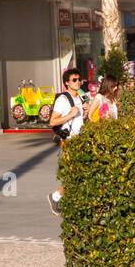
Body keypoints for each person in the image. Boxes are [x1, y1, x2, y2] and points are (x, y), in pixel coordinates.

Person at [47, 68, 86, 216]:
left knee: (78, 174)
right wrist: (70, 114)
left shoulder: (80, 98)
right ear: (66, 83)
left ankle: (60, 198)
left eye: (79, 79)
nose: (78, 82)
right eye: (74, 80)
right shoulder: (63, 99)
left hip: (81, 141)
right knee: (74, 175)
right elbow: (52, 121)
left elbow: (79, 121)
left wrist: (86, 112)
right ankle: (56, 197)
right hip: (69, 142)